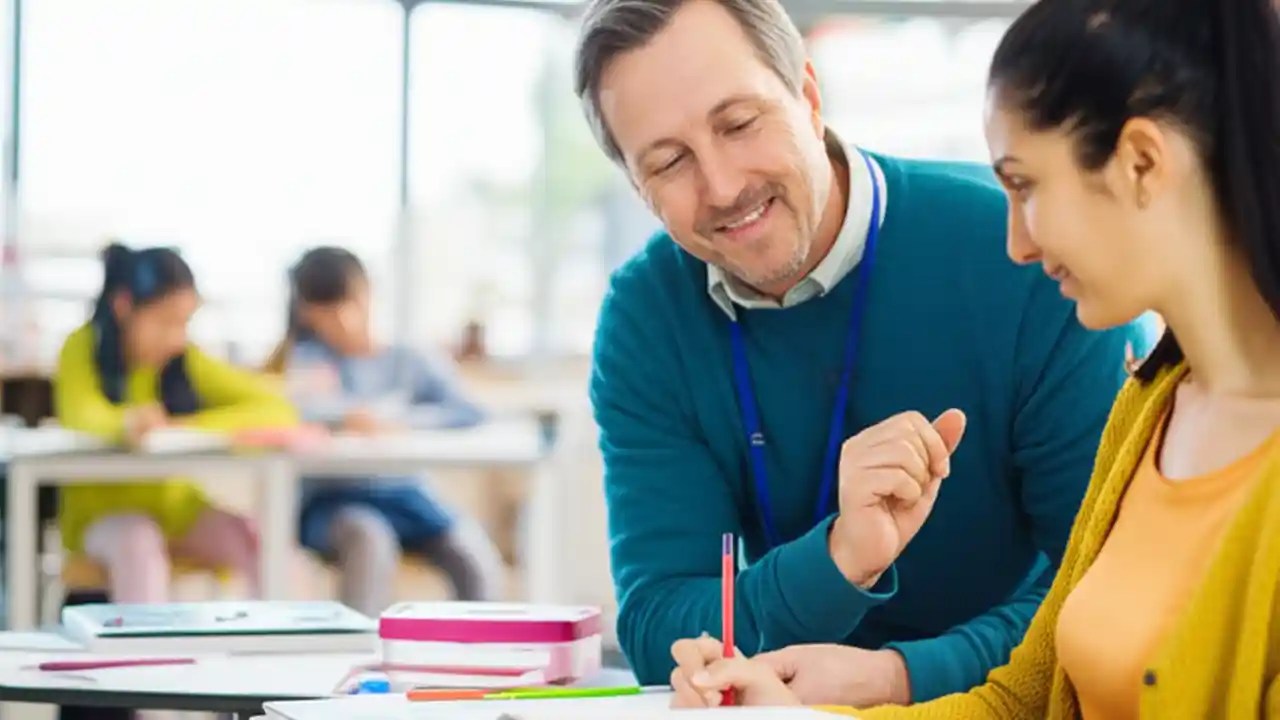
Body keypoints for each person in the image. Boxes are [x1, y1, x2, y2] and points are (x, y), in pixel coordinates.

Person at [667, 0, 1280, 716]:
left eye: (1024, 186)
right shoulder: (1150, 408)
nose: (1016, 244)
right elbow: (1023, 699)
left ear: (1141, 162)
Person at [574, 0, 1157, 705]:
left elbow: (1117, 594)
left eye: (740, 123)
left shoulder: (1029, 258)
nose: (723, 186)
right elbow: (659, 627)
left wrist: (900, 678)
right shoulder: (647, 318)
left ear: (808, 96)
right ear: (638, 187)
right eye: (669, 162)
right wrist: (840, 558)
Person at [267, 246, 505, 615]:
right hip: (332, 502)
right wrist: (346, 417)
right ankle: (362, 646)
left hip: (405, 495)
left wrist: (404, 423)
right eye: (327, 311)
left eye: (348, 304)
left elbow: (469, 411)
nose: (343, 320)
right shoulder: (310, 358)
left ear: (367, 293)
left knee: (471, 553)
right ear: (308, 313)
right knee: (369, 539)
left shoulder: (409, 358)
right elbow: (299, 409)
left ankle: (481, 644)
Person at [53, 243, 297, 603]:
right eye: (165, 322)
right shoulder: (82, 346)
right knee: (139, 543)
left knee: (254, 539)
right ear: (123, 306)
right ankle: (146, 642)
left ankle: (278, 635)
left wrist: (184, 428)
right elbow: (82, 415)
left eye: (184, 323)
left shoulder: (183, 360)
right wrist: (126, 423)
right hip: (101, 516)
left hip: (175, 510)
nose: (176, 338)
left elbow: (276, 409)